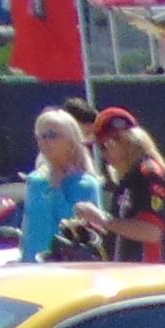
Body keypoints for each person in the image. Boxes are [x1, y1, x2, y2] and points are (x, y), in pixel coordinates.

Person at [85, 107, 165, 263]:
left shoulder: (149, 174)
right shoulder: (127, 180)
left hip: (151, 276)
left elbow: (152, 231)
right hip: (127, 273)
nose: (104, 155)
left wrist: (103, 219)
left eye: (103, 146)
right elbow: (123, 230)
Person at [18, 107, 102, 261]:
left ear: (71, 140)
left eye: (52, 136)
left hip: (68, 269)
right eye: (40, 137)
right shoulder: (35, 181)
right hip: (32, 268)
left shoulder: (85, 184)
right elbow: (28, 227)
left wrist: (57, 187)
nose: (45, 142)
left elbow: (73, 226)